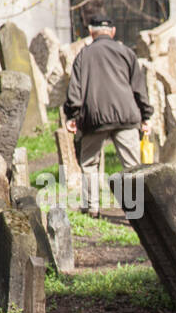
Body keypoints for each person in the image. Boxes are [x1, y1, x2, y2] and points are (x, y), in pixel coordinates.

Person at [63, 16, 152, 216]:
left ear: (91, 32)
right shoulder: (126, 52)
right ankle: (136, 210)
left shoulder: (83, 55)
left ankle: (92, 208)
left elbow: (75, 90)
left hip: (94, 118)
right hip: (126, 116)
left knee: (89, 164)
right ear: (112, 32)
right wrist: (146, 116)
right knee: (132, 166)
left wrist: (72, 116)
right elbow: (139, 88)